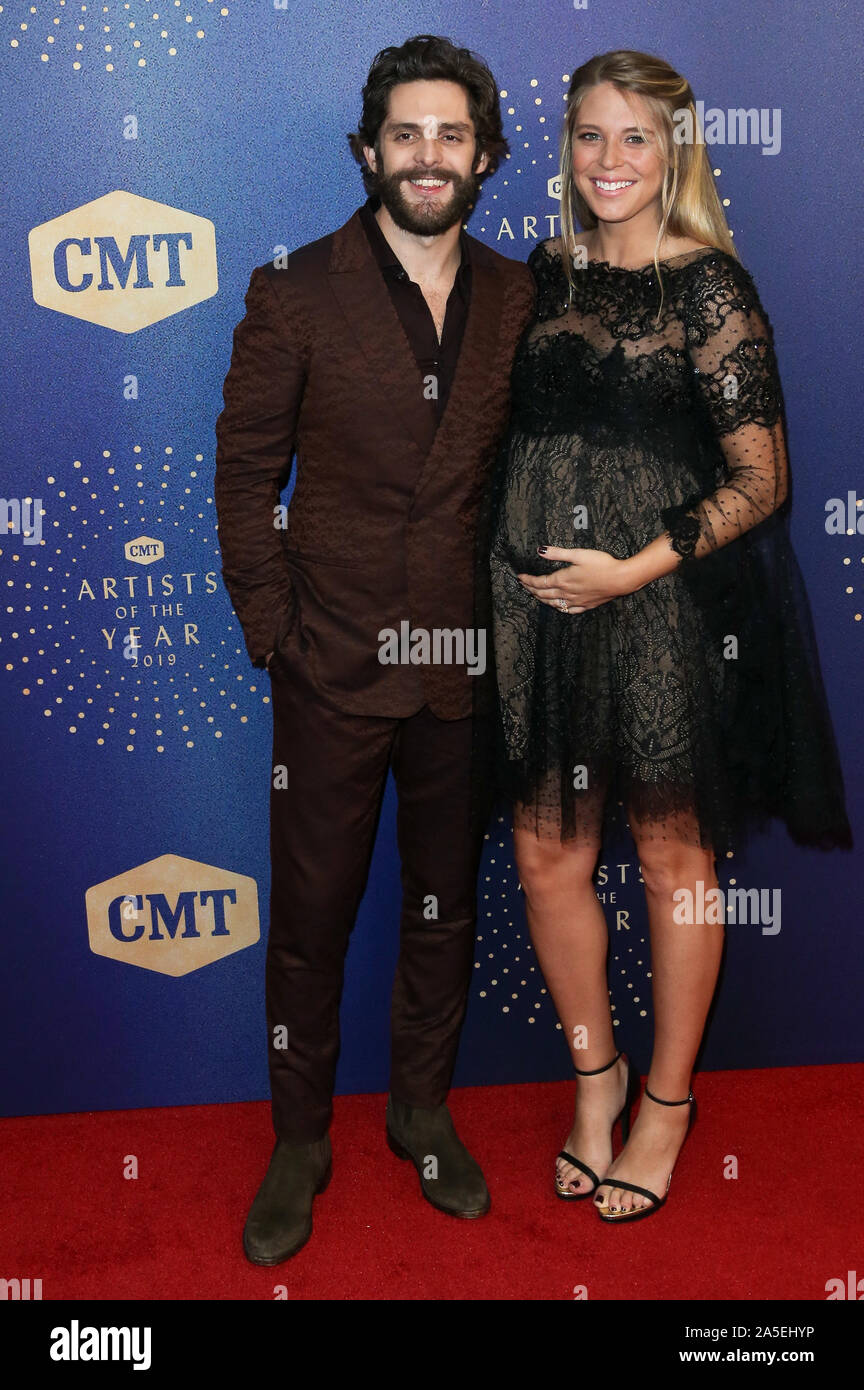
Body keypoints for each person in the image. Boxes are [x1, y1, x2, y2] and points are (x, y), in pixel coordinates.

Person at [489, 49, 852, 1223]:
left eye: (636, 137)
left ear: (676, 151)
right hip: (540, 611)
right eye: (590, 136)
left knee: (672, 864)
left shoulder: (711, 287)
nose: (610, 161)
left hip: (658, 613)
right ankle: (593, 1079)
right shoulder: (546, 273)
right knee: (548, 853)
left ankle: (668, 1101)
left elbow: (764, 479)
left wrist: (627, 571)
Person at [214, 34, 535, 1263]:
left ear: (485, 155)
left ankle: (419, 1112)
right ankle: (300, 1138)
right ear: (368, 152)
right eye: (405, 133)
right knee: (310, 916)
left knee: (444, 910)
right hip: (331, 666)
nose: (428, 154)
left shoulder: (518, 298)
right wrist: (275, 633)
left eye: (451, 134)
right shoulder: (291, 290)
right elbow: (245, 478)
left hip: (462, 666)